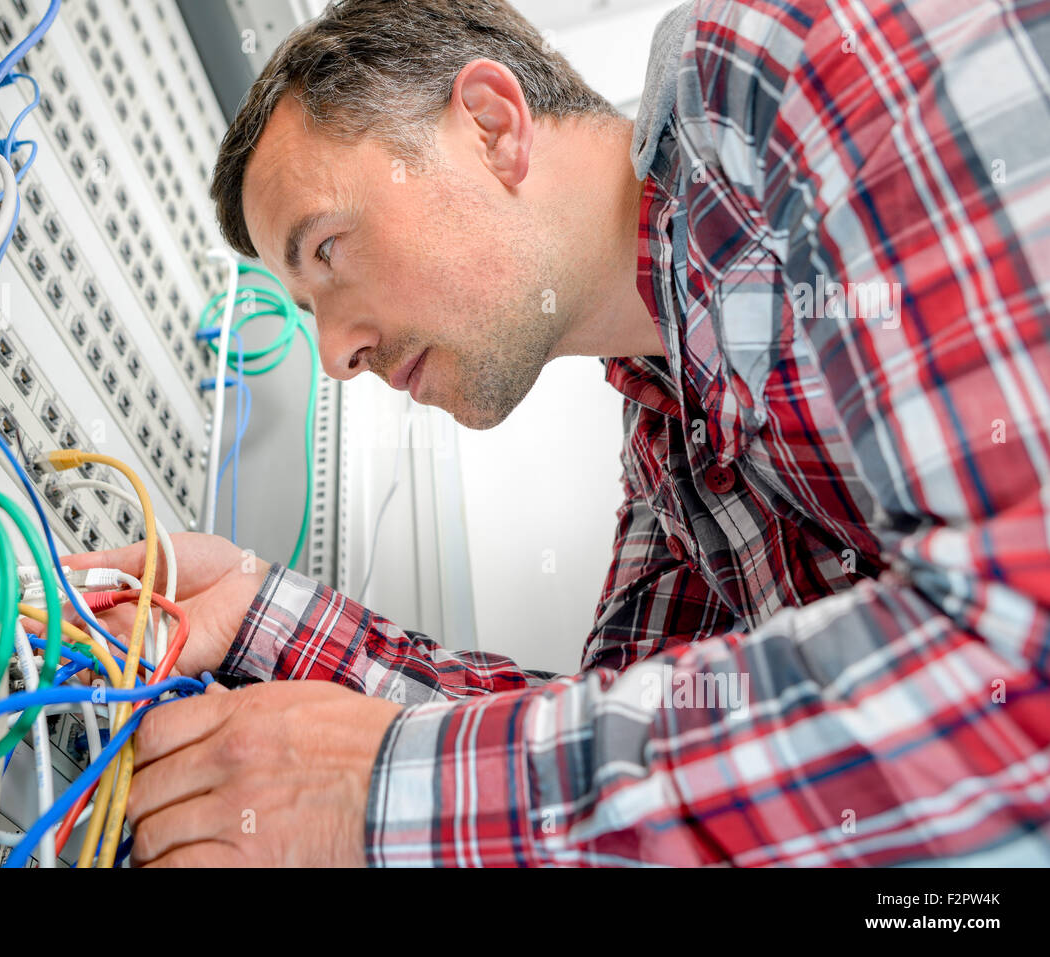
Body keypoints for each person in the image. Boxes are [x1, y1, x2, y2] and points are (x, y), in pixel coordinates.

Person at [67, 0, 1050, 866]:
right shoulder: (674, 452)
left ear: (492, 127)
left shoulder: (792, 64)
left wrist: (375, 796)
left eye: (327, 248)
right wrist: (259, 617)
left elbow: (1019, 669)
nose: (333, 359)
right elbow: (594, 751)